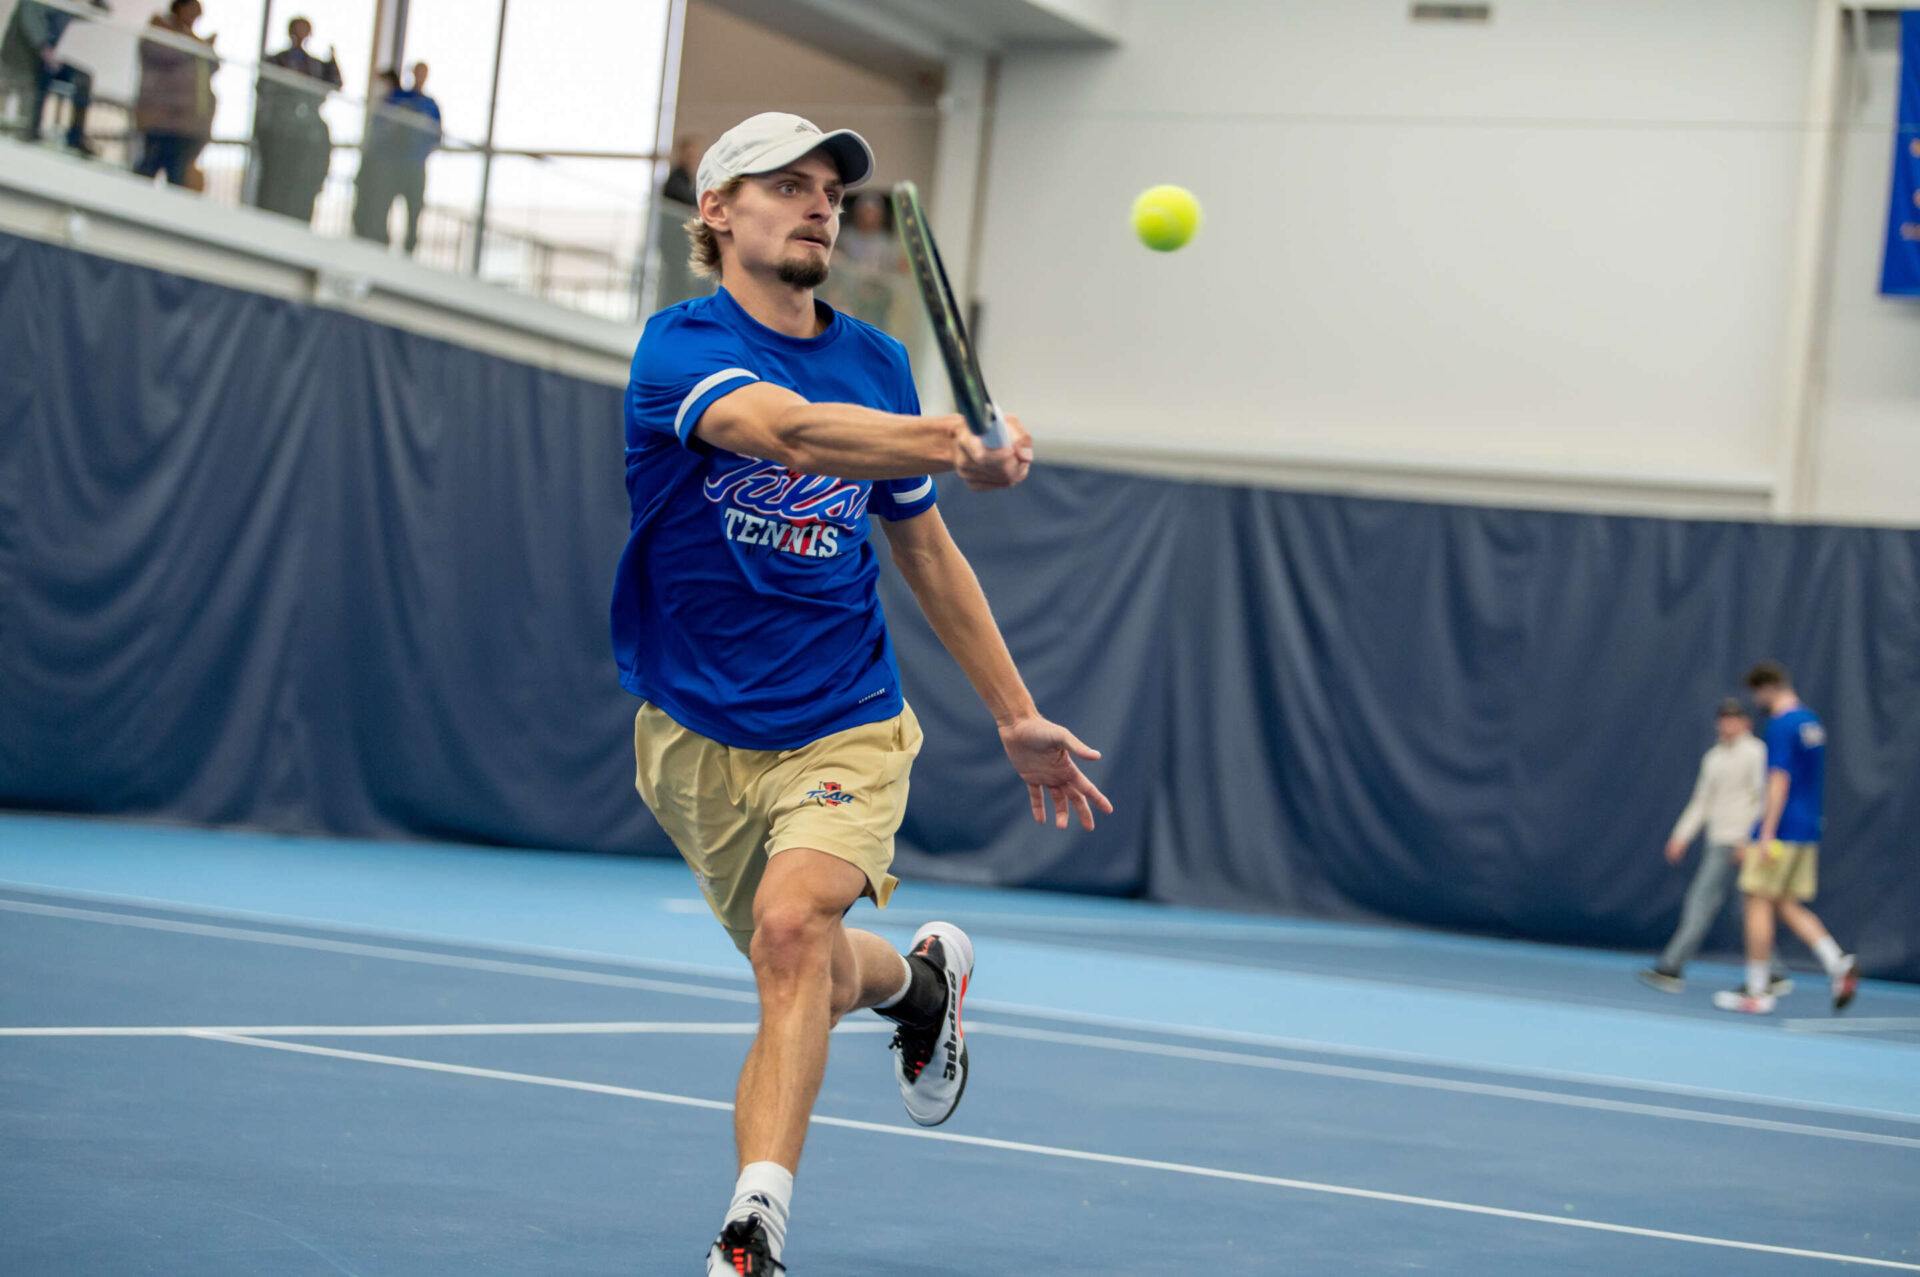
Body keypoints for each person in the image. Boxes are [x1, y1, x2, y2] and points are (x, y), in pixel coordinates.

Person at [612, 112, 1110, 1276]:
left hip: (846, 713)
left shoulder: (876, 361)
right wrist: (949, 436)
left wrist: (1014, 712)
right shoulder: (674, 348)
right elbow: (783, 430)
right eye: (785, 184)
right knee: (818, 970)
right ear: (719, 211)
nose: (819, 203)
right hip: (691, 733)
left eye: (832, 190)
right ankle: (921, 981)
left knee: (794, 930)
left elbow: (926, 553)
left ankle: (753, 1225)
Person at [1714, 661, 1860, 1015]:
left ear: (1767, 689)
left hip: (1780, 831)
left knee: (1756, 901)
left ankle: (1758, 990)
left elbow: (1778, 780)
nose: (1758, 702)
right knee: (1786, 904)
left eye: (1757, 695)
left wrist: (1764, 833)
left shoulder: (1781, 724)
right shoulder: (1811, 722)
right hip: (1807, 828)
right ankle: (1836, 961)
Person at [1636, 700, 1788, 995]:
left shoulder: (1755, 753)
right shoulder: (1714, 757)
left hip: (1742, 845)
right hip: (1718, 843)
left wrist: (1751, 839)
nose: (1728, 724)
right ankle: (1775, 972)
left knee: (1707, 903)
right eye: (1723, 719)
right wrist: (1681, 835)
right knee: (1740, 909)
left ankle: (1671, 967)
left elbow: (1764, 798)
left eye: (1734, 718)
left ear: (1746, 722)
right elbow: (1702, 801)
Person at [253, 17, 342, 223]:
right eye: (297, 29)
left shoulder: (315, 64)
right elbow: (263, 87)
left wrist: (333, 61)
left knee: (299, 183)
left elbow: (335, 83)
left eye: (305, 30)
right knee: (274, 183)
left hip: (303, 136)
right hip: (279, 130)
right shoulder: (276, 60)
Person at [1, 0, 110, 156]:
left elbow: (98, 12)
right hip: (21, 64)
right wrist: (45, 50)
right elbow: (31, 22)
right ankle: (31, 133)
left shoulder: (65, 6)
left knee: (82, 79)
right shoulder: (38, 3)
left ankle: (74, 138)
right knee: (39, 83)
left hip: (45, 64)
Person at [134, 0, 217, 188]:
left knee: (179, 177)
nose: (193, 18)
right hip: (162, 121)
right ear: (179, 8)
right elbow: (164, 53)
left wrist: (205, 48)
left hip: (188, 125)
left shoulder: (194, 41)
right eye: (191, 11)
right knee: (149, 169)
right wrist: (197, 46)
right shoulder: (161, 31)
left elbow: (212, 68)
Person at [386, 61, 441, 253]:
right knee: (387, 200)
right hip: (394, 162)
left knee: (414, 207)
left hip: (416, 164)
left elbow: (436, 135)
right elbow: (385, 122)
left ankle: (410, 247)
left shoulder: (430, 105)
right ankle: (383, 241)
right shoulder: (399, 97)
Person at [350, 68, 403, 243]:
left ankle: (375, 239)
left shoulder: (397, 109)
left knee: (377, 208)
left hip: (384, 167)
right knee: (364, 207)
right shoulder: (379, 107)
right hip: (371, 164)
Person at [661, 132, 701, 207]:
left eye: (695, 156)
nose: (693, 159)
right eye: (689, 156)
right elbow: (691, 200)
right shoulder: (676, 180)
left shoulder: (687, 178)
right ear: (681, 154)